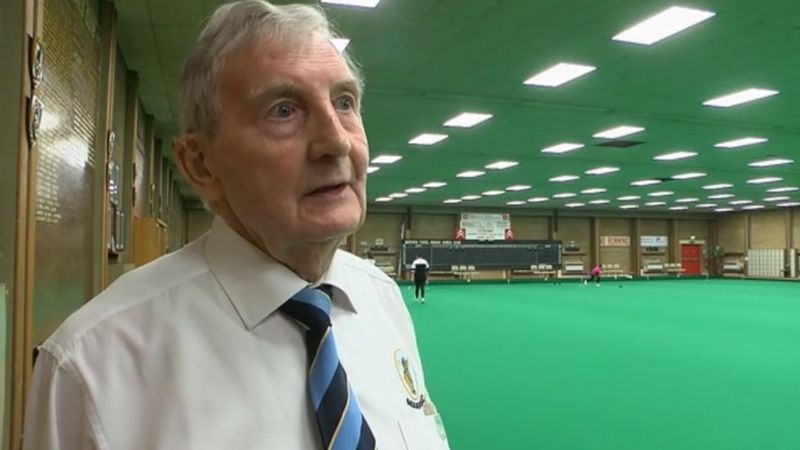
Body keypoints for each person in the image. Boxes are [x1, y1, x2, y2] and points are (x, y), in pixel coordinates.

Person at [22, 2, 449, 449]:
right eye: (284, 110)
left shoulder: (379, 297)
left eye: (344, 102)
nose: (336, 141)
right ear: (201, 164)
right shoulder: (91, 364)